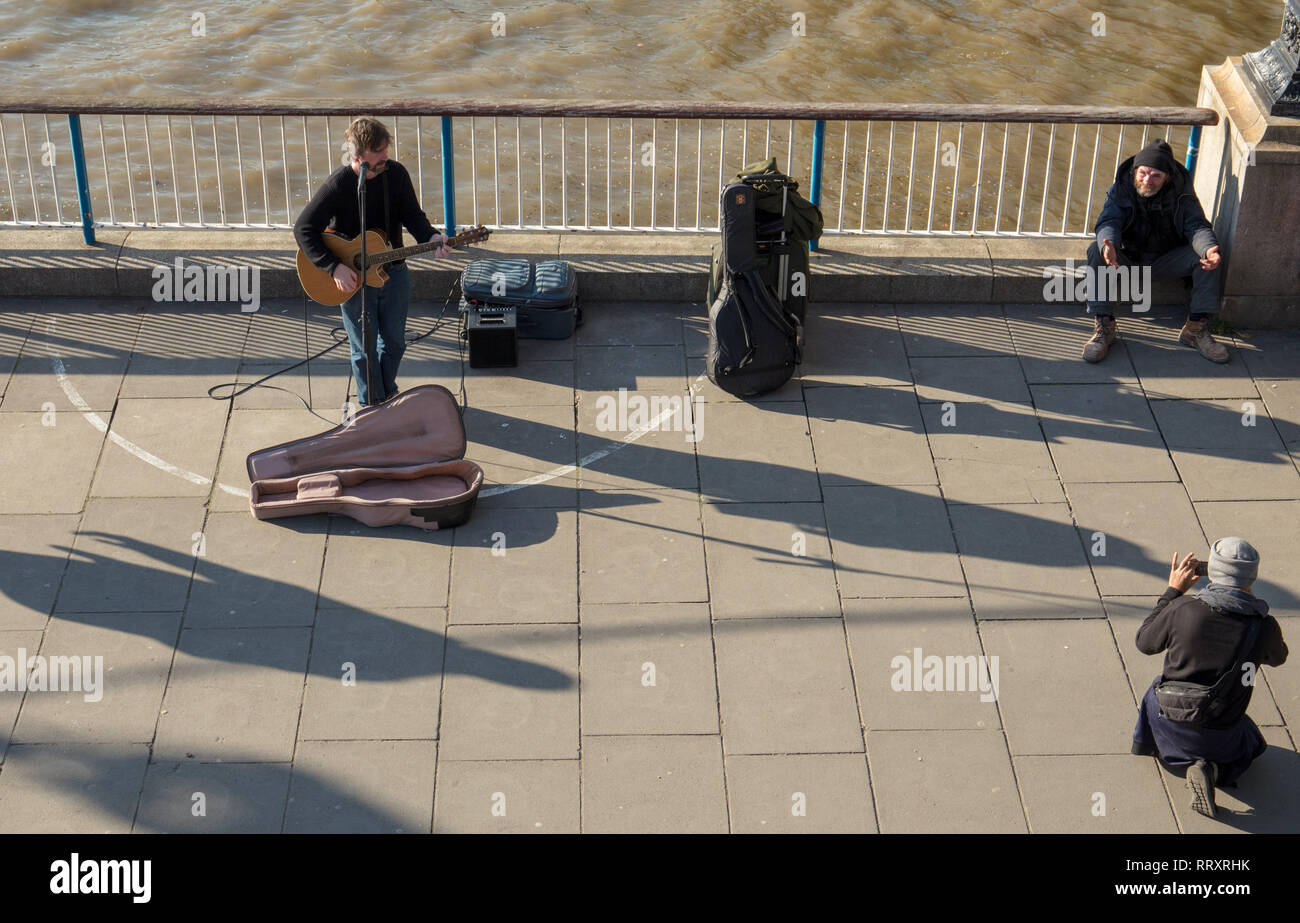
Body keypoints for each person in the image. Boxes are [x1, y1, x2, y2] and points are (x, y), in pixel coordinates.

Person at [294, 117, 451, 408]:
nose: (385, 156)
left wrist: (431, 237)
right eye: (378, 151)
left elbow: (412, 215)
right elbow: (303, 229)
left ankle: (386, 394)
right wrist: (334, 267)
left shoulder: (397, 174)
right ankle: (372, 407)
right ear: (358, 155)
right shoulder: (338, 185)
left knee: (395, 343)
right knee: (363, 351)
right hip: (353, 279)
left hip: (394, 273)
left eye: (385, 149)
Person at [1131, 538, 1288, 818]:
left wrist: (1172, 592)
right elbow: (1278, 658)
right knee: (1252, 742)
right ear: (1252, 575)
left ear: (1211, 571)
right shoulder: (1263, 627)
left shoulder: (1183, 610)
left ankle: (1150, 743)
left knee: (1157, 684)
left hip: (1167, 718)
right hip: (1221, 732)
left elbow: (1144, 642)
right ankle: (1212, 768)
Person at [1082, 138, 1228, 364]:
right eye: (1143, 173)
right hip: (1127, 259)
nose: (1147, 180)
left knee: (1205, 258)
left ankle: (1196, 329)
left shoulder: (1182, 195)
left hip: (1164, 262)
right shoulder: (1121, 189)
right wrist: (1108, 243)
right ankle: (1104, 326)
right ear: (1135, 172)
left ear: (1167, 177)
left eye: (1156, 175)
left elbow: (1197, 226)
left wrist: (1209, 248)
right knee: (1095, 250)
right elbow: (1109, 220)